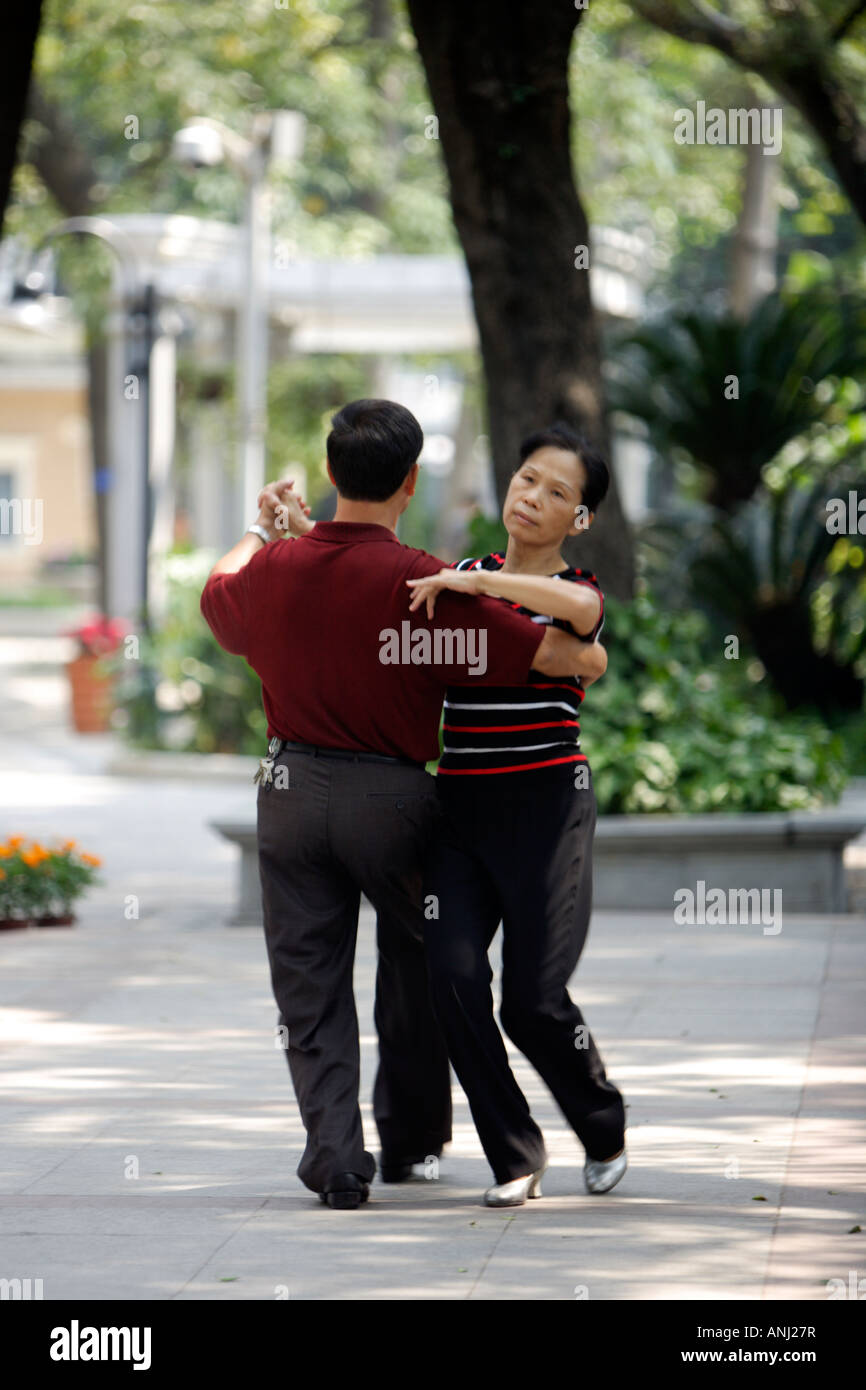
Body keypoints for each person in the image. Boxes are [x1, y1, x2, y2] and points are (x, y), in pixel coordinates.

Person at [199, 400, 605, 1209]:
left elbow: (219, 593)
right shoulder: (420, 582)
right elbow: (568, 658)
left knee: (308, 986)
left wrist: (264, 530)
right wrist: (583, 646)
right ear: (411, 481)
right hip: (390, 799)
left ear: (328, 473)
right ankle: (412, 1135)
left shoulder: (273, 570)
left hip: (286, 794)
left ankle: (337, 1161)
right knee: (425, 955)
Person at [405, 422, 627, 1207]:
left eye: (558, 492)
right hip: (461, 804)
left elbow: (579, 616)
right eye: (528, 478)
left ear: (581, 518)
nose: (533, 497)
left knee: (532, 1002)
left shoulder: (577, 592)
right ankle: (514, 1154)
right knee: (453, 977)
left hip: (546, 808)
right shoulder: (463, 574)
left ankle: (603, 1124)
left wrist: (483, 588)